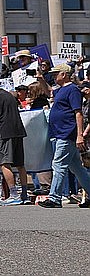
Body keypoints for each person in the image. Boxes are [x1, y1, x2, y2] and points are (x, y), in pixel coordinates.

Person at [40, 64, 90, 208]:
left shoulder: (72, 90)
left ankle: (55, 198)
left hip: (67, 133)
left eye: (56, 74)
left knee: (58, 164)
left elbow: (78, 113)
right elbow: (49, 92)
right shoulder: (61, 90)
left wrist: (79, 135)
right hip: (61, 132)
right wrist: (41, 79)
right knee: (77, 168)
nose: (54, 76)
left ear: (64, 74)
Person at [0, 75, 28, 205]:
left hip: (6, 132)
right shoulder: (9, 95)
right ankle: (24, 195)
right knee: (20, 164)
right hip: (18, 131)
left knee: (4, 163)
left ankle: (14, 194)